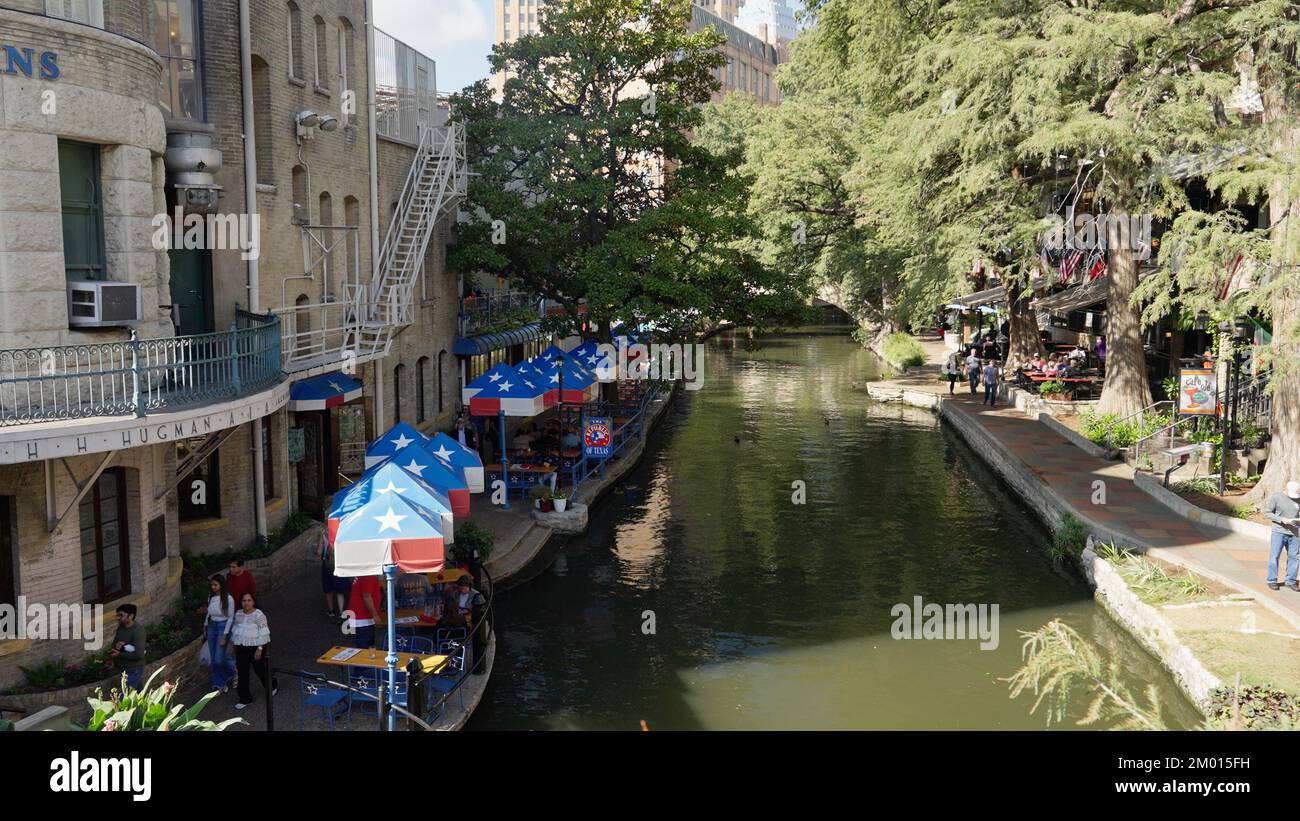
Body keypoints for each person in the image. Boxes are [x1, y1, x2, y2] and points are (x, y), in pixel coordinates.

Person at [230, 593, 277, 709]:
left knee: (260, 670)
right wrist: (235, 647)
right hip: (241, 648)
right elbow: (236, 631)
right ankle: (245, 699)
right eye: (244, 600)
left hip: (256, 648)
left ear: (253, 602)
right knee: (242, 673)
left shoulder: (259, 615)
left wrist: (259, 649)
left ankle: (272, 685)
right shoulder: (238, 614)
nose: (246, 603)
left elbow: (264, 633)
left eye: (249, 600)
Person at [202, 575, 237, 694]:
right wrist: (205, 625)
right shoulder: (210, 597)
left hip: (223, 627)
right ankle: (218, 683)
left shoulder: (229, 599)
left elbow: (231, 617)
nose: (213, 587)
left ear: (221, 585)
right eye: (212, 585)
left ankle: (233, 670)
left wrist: (225, 635)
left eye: (215, 585)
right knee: (214, 659)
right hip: (212, 626)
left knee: (218, 659)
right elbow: (209, 614)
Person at [1264, 481, 1300, 591]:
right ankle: (1272, 580)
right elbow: (1267, 513)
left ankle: (1291, 581)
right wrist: (1281, 519)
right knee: (1274, 556)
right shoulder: (1276, 497)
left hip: (1295, 533)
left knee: (1295, 557)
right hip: (1279, 532)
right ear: (1286, 489)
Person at [109, 604, 146, 690]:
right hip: (123, 668)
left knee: (125, 698)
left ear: (131, 616)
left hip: (134, 669)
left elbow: (138, 654)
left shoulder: (138, 631)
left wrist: (120, 653)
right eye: (117, 615)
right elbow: (115, 644)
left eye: (121, 615)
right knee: (139, 695)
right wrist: (116, 649)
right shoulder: (121, 628)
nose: (118, 618)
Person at [320, 534, 351, 622]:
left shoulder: (324, 534)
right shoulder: (341, 532)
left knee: (328, 589)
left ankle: (331, 611)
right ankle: (341, 612)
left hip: (327, 566)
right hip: (338, 564)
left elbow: (319, 552)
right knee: (340, 590)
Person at [348, 573, 382, 648]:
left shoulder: (364, 573)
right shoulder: (368, 575)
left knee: (365, 645)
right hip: (363, 618)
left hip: (360, 617)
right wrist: (375, 616)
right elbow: (366, 596)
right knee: (365, 647)